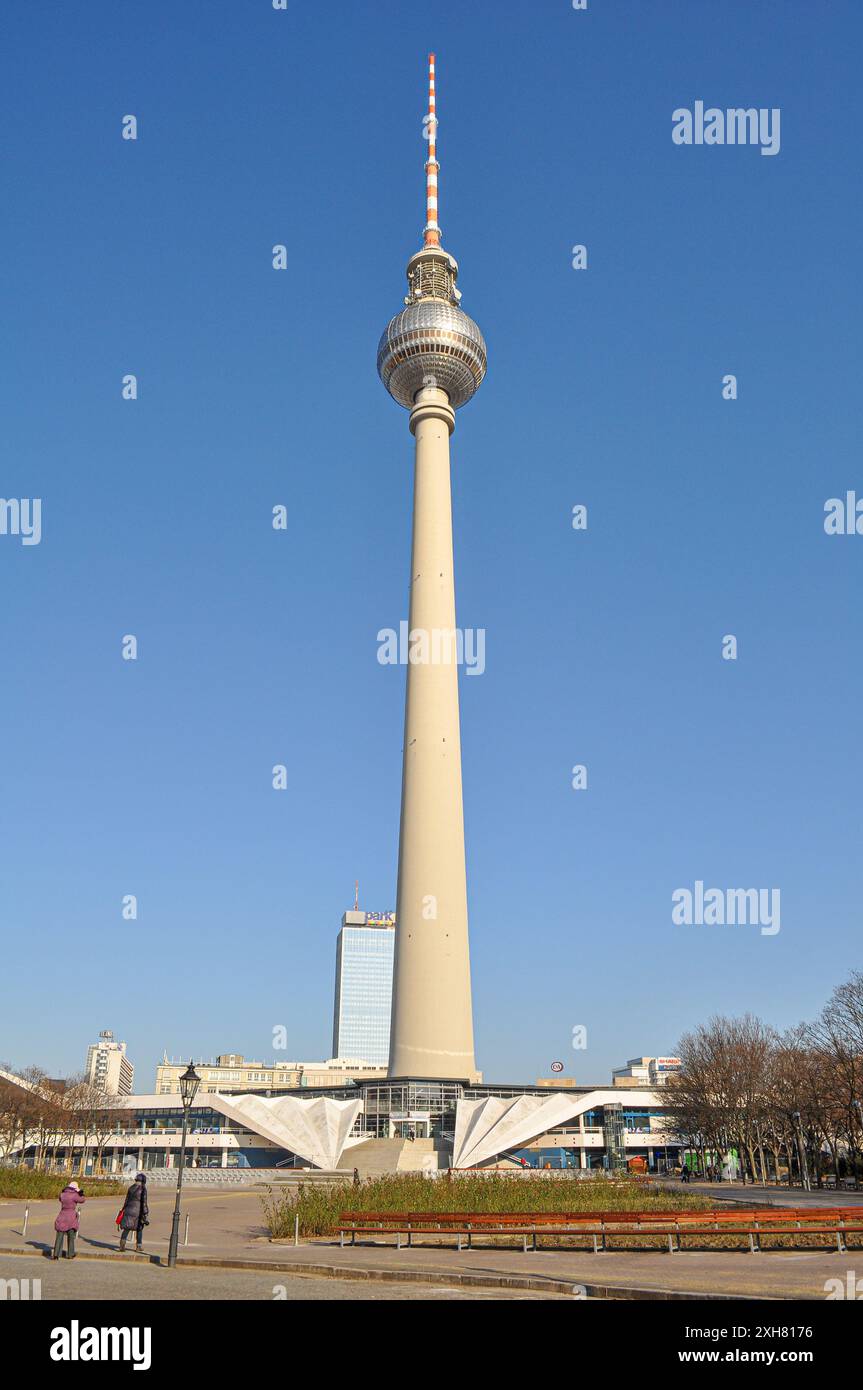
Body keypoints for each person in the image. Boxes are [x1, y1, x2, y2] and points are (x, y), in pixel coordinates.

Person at [52, 1180, 85, 1259]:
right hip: (71, 1216)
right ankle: (70, 1254)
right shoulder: (74, 1195)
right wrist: (80, 1193)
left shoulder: (62, 1194)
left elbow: (60, 1198)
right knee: (71, 1236)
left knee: (59, 1235)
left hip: (62, 1215)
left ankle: (56, 1254)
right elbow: (82, 1200)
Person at [118, 1171, 149, 1252]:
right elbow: (144, 1202)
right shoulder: (143, 1189)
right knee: (139, 1229)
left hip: (128, 1210)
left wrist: (123, 1209)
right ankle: (138, 1246)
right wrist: (146, 1212)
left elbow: (126, 1200)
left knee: (127, 1228)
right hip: (138, 1211)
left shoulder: (131, 1188)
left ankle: (122, 1244)